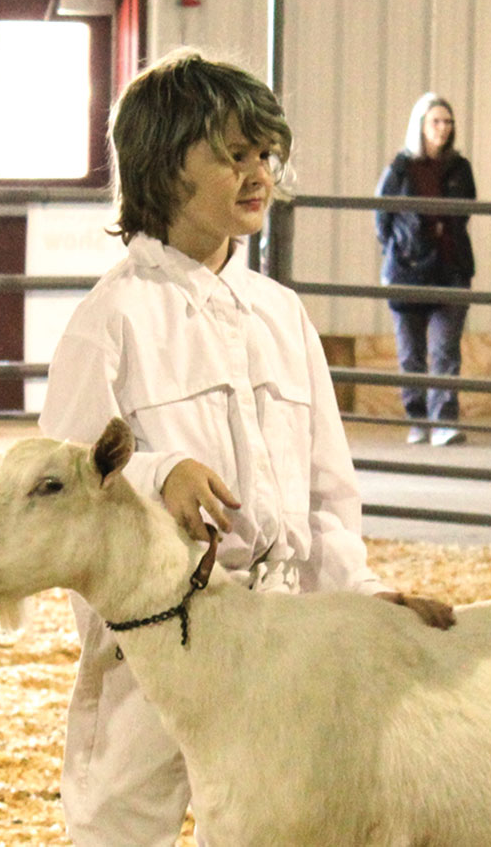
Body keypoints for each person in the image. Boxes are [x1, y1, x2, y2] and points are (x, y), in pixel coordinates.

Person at [40, 49, 454, 847]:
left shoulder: (282, 314)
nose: (259, 172)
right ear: (165, 168)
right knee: (122, 823)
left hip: (281, 640)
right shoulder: (112, 320)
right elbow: (61, 480)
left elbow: (329, 492)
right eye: (234, 155)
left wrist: (357, 594)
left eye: (265, 153)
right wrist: (158, 473)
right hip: (158, 643)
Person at [375, 93, 476, 446]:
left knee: (446, 349)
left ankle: (444, 419)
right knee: (410, 353)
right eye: (436, 121)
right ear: (421, 125)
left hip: (450, 268)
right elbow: (381, 215)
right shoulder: (400, 168)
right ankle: (417, 419)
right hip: (407, 269)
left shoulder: (459, 167)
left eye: (448, 121)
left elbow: (465, 211)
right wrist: (399, 247)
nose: (444, 128)